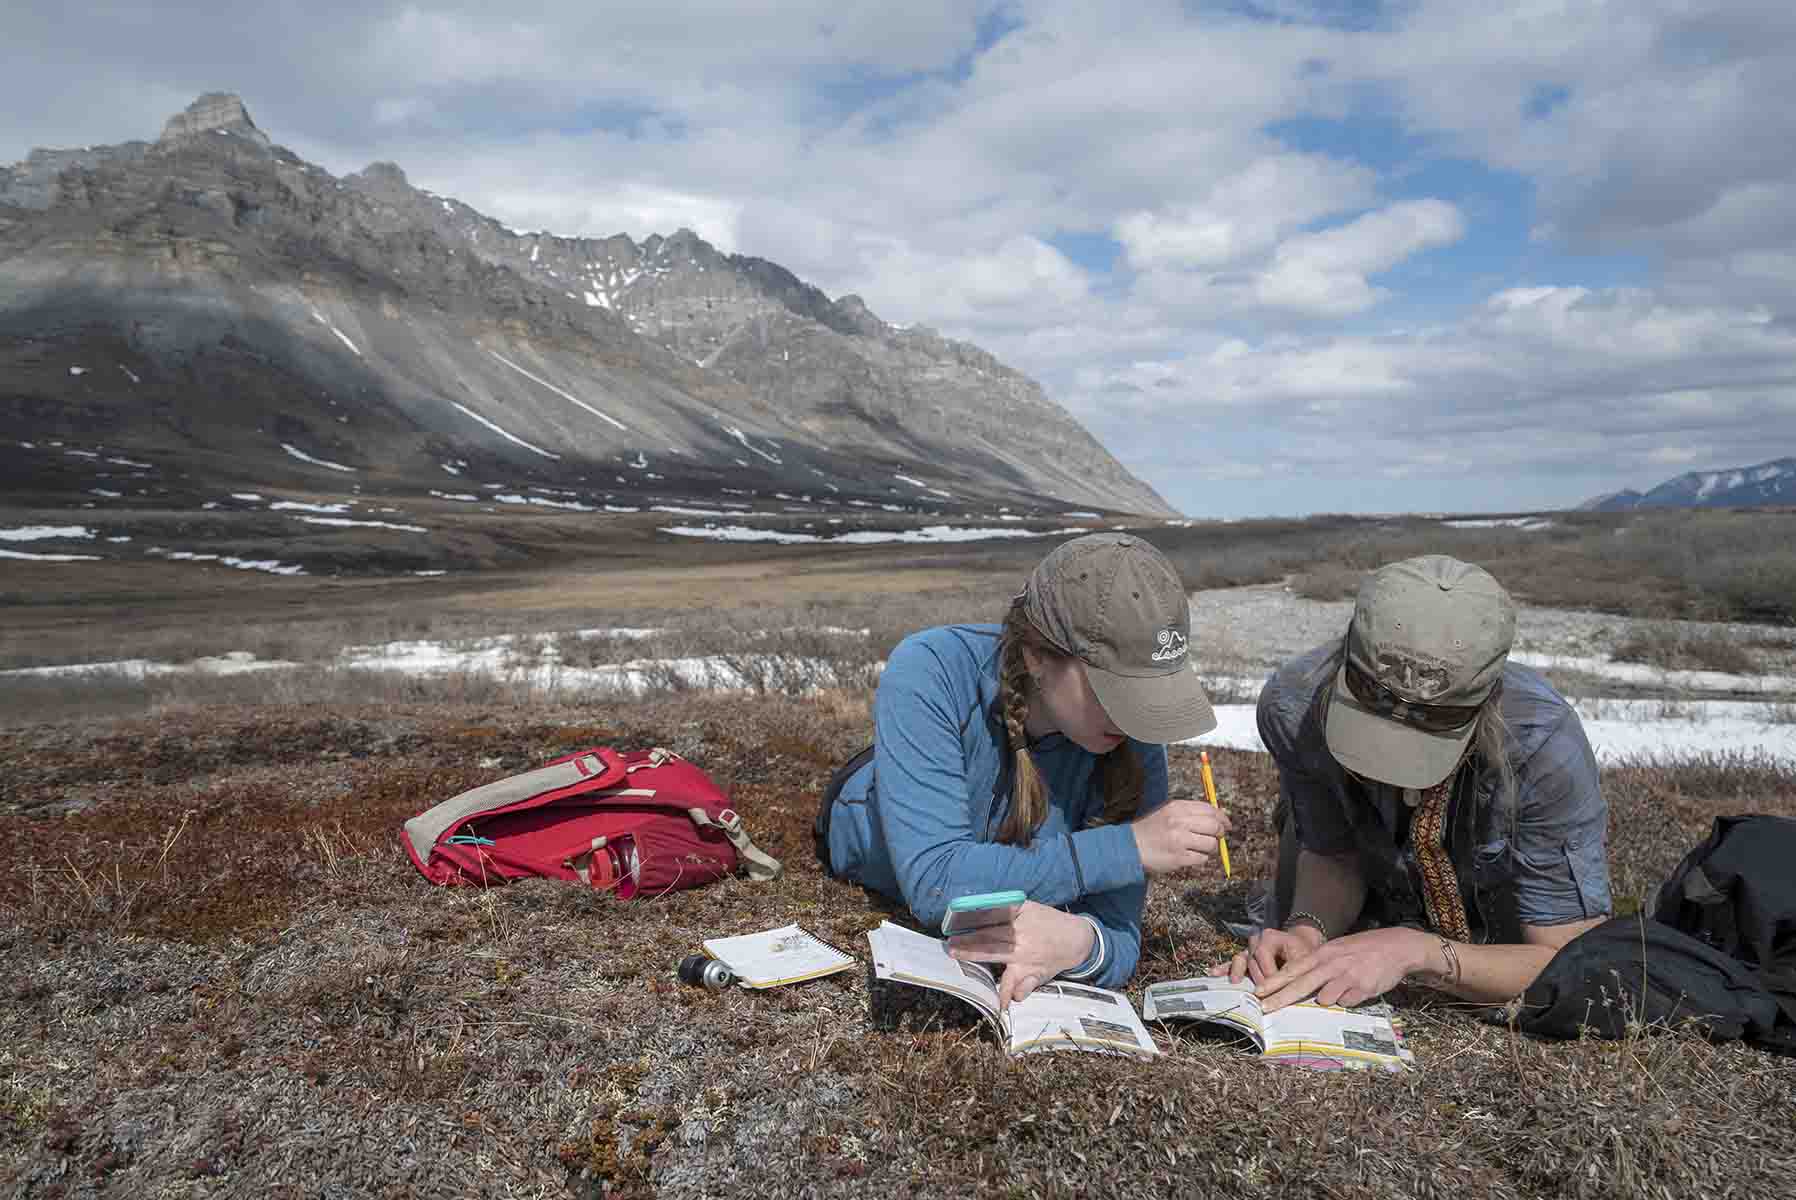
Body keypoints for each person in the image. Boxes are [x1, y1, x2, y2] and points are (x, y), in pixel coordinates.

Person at [816, 533, 1230, 1007]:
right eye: (1116, 688)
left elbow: (1119, 934)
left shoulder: (1132, 731)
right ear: (1037, 657)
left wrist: (1081, 943)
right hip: (868, 820)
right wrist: (1129, 846)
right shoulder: (931, 669)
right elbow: (935, 877)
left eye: (1149, 694)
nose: (1133, 715)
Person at [1218, 554, 1611, 1012]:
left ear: (1483, 702)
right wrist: (1307, 933)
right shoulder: (1295, 707)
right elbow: (1333, 850)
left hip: (1492, 937)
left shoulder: (1543, 745)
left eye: (1428, 732)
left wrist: (1420, 953)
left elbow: (1569, 957)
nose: (1389, 768)